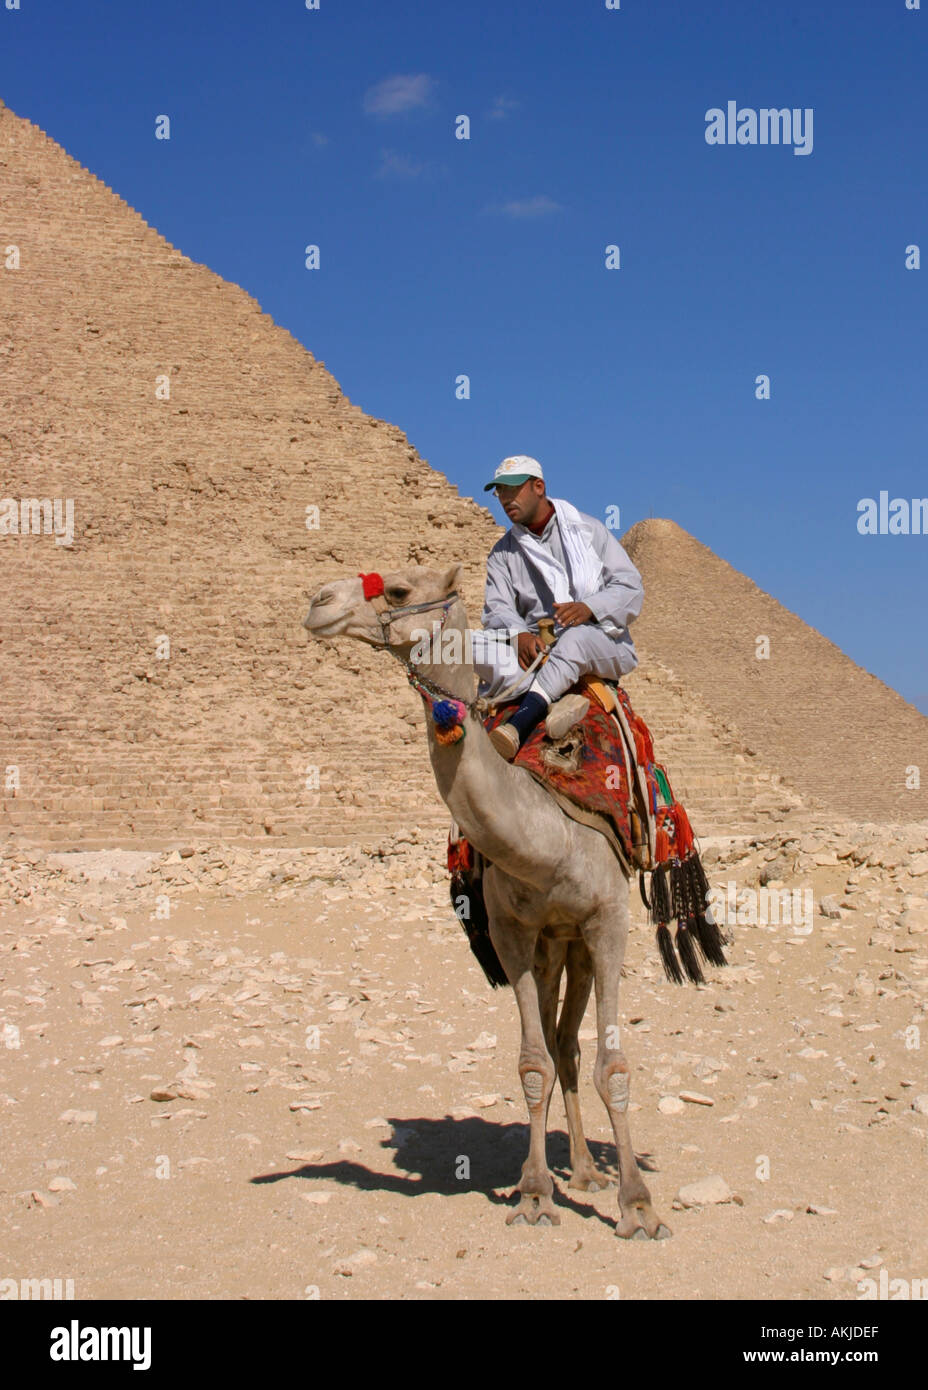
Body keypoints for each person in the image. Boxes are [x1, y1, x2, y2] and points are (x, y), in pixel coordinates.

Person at [474, 455, 644, 760]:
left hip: (598, 641)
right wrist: (518, 636)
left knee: (575, 641)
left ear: (539, 487)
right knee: (467, 643)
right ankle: (545, 695)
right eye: (499, 492)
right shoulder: (502, 554)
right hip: (536, 649)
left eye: (513, 490)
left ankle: (521, 721)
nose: (505, 500)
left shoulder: (589, 532)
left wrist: (589, 607)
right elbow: (497, 607)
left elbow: (630, 588)